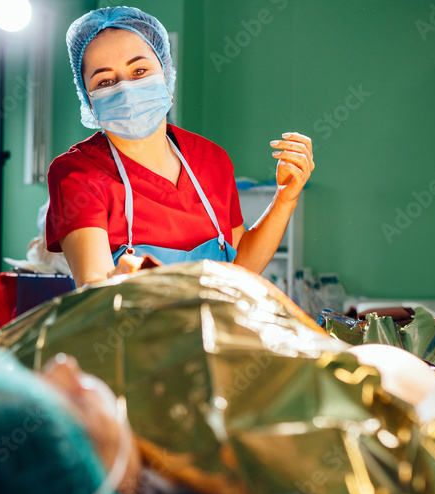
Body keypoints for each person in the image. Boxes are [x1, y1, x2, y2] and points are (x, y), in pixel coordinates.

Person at [47, 6, 314, 287]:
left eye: (139, 71)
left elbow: (241, 268)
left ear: (166, 75)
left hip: (214, 328)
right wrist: (118, 285)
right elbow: (94, 286)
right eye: (106, 81)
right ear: (89, 100)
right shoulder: (76, 174)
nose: (126, 90)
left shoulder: (211, 159)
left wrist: (285, 199)